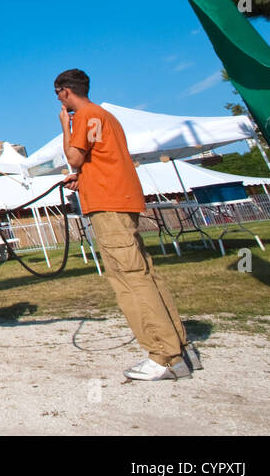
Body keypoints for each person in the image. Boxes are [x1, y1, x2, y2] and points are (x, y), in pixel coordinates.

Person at [54, 68, 200, 381]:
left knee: (130, 281)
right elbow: (95, 160)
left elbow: (75, 156)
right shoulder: (100, 116)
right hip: (120, 199)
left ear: (64, 92)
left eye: (57, 95)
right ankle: (180, 348)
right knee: (146, 275)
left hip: (108, 207)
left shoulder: (82, 116)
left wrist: (65, 126)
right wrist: (84, 179)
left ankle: (165, 355)